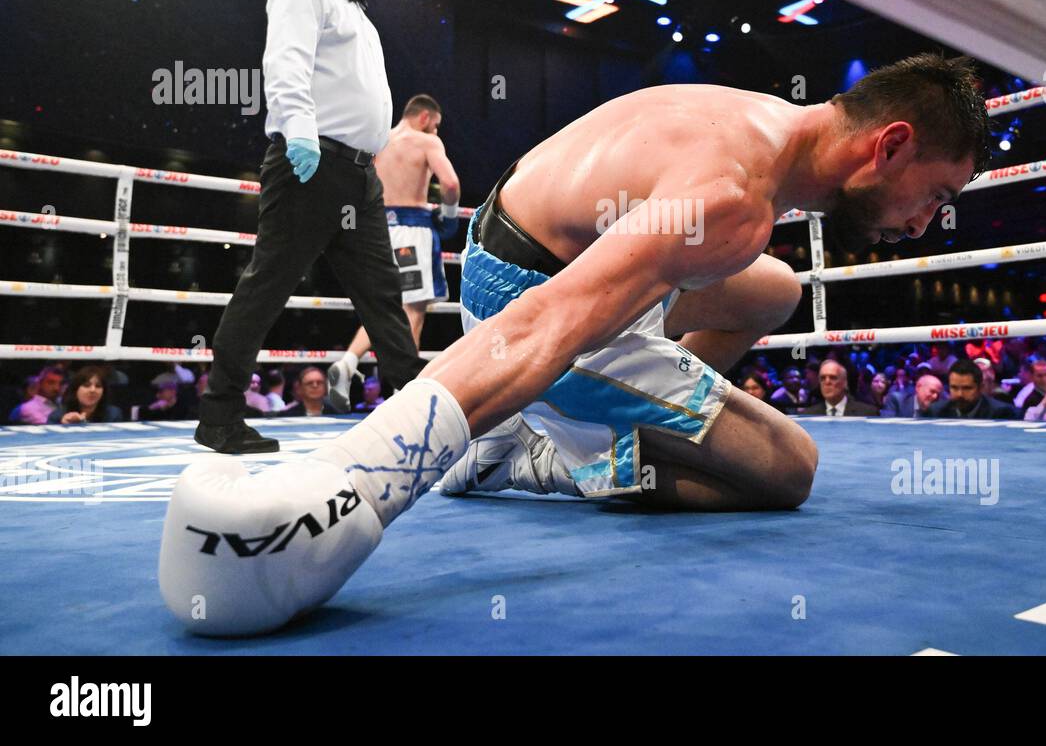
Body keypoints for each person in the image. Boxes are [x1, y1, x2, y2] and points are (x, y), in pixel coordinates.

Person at [161, 52, 991, 634]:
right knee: (788, 468)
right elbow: (549, 322)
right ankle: (536, 458)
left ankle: (619, 416)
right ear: (890, 146)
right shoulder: (735, 196)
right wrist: (356, 479)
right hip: (524, 289)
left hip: (516, 241)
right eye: (935, 194)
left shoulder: (767, 125)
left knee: (776, 288)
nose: (925, 223)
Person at [194, 0, 425, 455]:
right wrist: (298, 129)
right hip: (311, 163)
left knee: (384, 299)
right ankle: (220, 416)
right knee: (267, 286)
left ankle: (421, 419)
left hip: (359, 177)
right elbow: (286, 60)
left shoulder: (362, 19)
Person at [327, 94, 463, 411]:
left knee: (385, 308)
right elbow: (451, 183)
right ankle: (406, 398)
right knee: (413, 310)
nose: (437, 133)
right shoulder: (426, 142)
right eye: (437, 126)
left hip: (376, 228)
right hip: (412, 228)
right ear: (426, 118)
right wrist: (451, 213)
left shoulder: (377, 138)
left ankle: (348, 362)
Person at [927, 359, 1018, 419]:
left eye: (967, 388)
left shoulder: (1000, 413)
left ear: (980, 388)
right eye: (954, 388)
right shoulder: (936, 411)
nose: (960, 394)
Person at [47, 365, 123, 424]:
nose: (93, 390)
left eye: (98, 386)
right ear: (75, 389)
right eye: (86, 385)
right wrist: (63, 427)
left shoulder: (113, 414)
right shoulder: (57, 416)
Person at [801, 359, 877, 416]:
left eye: (833, 377)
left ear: (845, 382)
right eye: (823, 378)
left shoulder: (867, 413)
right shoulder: (808, 415)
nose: (827, 382)